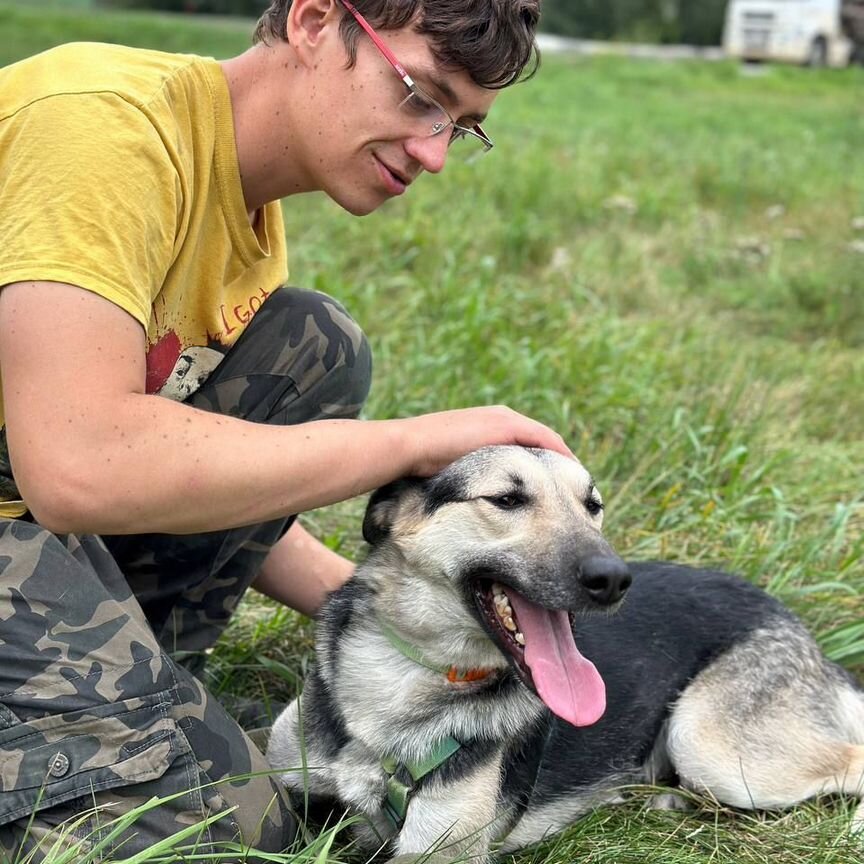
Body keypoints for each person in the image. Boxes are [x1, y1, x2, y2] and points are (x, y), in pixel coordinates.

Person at [0, 0, 569, 858]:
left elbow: (197, 478)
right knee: (206, 831)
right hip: (38, 502)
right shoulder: (105, 132)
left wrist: (398, 609)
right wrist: (411, 442)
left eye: (463, 127)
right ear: (312, 22)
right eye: (421, 94)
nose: (435, 153)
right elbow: (77, 464)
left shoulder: (246, 221)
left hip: (35, 524)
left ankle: (115, 693)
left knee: (314, 346)